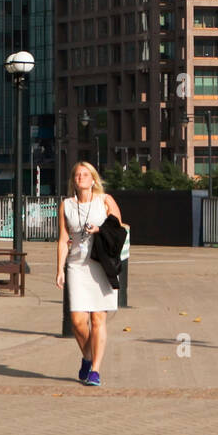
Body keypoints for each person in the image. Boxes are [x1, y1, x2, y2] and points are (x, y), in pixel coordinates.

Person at [57, 161, 123, 386]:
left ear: (93, 179)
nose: (81, 177)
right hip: (77, 265)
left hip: (100, 265)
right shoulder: (66, 205)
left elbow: (119, 230)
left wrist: (99, 229)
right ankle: (87, 356)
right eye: (77, 174)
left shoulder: (105, 201)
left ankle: (95, 370)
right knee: (77, 320)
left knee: (97, 319)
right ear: (73, 181)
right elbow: (63, 240)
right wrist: (60, 269)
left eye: (85, 174)